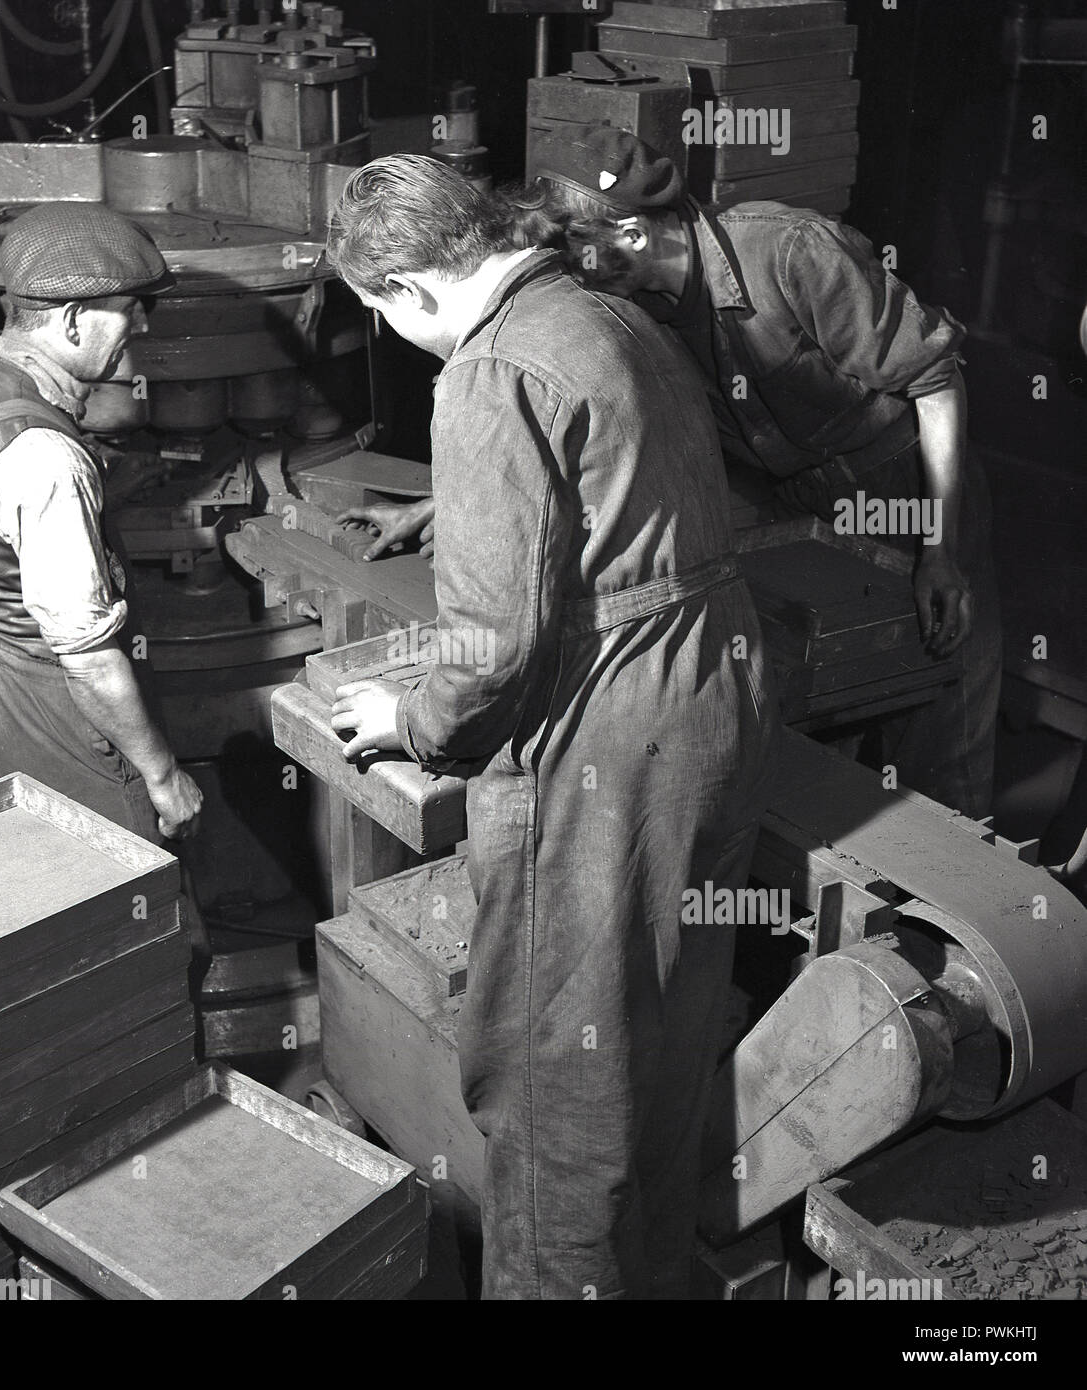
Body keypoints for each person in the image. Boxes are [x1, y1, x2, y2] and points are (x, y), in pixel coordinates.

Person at [325, 154, 777, 1299]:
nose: (397, 337)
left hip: (613, 738)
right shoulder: (610, 314)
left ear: (413, 288)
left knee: (557, 1073)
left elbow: (495, 650)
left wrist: (414, 718)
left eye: (383, 314)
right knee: (662, 1044)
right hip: (714, 689)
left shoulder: (486, 375)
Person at [348, 129, 1002, 819]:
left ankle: (971, 892)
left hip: (904, 485)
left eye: (576, 248)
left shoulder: (790, 251)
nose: (567, 268)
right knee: (828, 700)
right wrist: (444, 503)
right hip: (795, 502)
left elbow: (934, 381)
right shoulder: (635, 304)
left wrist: (940, 551)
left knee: (942, 706)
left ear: (629, 232)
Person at [0, 203, 202, 843]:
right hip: (61, 729)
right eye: (127, 308)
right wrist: (162, 773)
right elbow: (91, 662)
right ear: (69, 320)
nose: (139, 325)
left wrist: (97, 499)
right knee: (130, 917)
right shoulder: (47, 459)